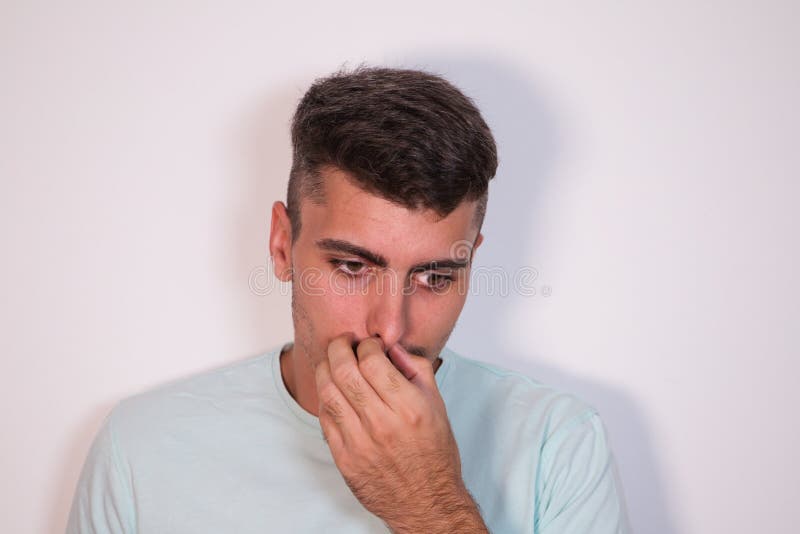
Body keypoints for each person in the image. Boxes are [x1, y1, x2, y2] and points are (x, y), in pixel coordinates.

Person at [66, 66, 629, 533]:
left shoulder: (559, 444)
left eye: (434, 276)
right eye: (353, 267)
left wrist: (430, 510)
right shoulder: (141, 448)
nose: (390, 328)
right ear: (283, 245)